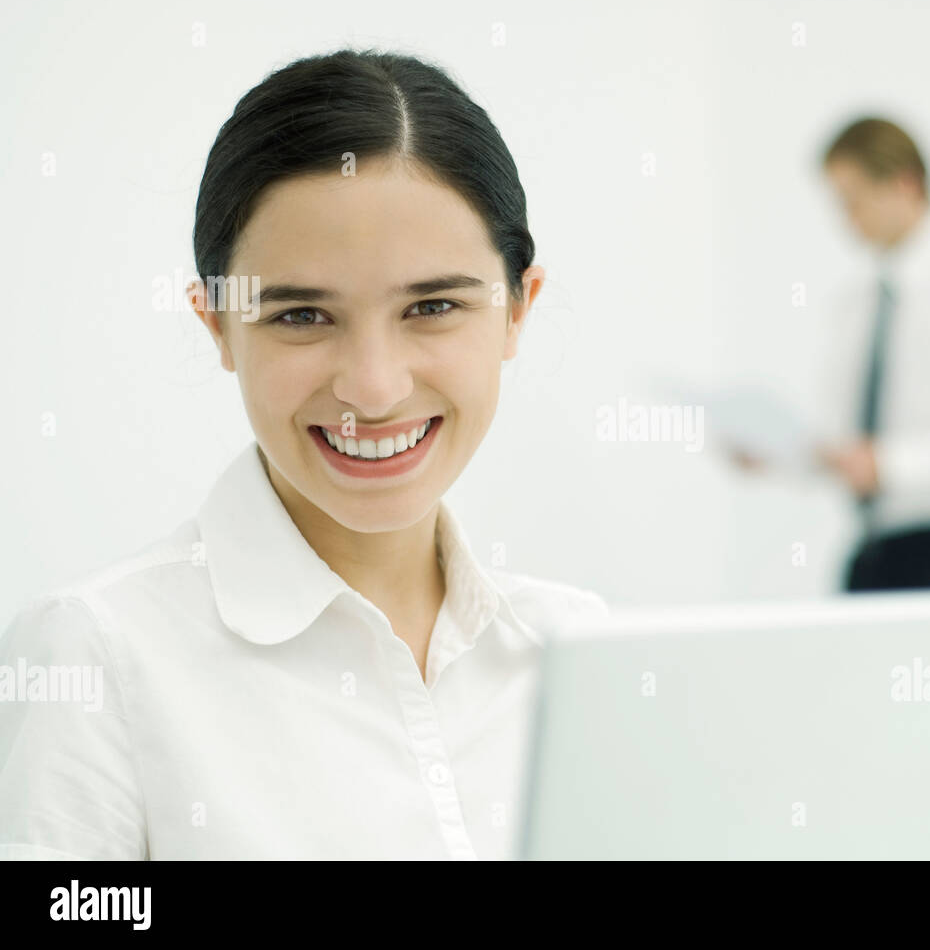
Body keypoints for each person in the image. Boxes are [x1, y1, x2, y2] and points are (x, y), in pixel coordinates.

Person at [0, 49, 606, 860]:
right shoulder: (97, 654)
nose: (375, 387)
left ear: (516, 312)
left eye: (431, 305)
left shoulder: (578, 648)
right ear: (217, 325)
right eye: (300, 317)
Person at [734, 117, 930, 591]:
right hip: (870, 559)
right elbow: (844, 441)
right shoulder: (856, 300)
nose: (845, 220)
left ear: (904, 184)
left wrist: (889, 466)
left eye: (853, 201)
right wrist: (780, 457)